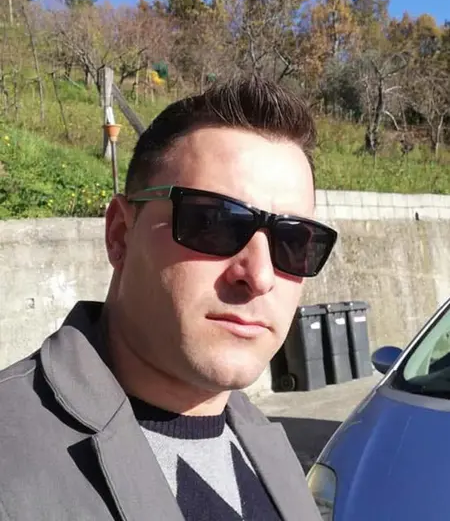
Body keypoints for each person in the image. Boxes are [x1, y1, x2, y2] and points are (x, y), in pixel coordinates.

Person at [0, 76, 337, 521]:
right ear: (120, 234)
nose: (259, 275)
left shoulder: (269, 446)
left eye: (294, 241)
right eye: (214, 222)